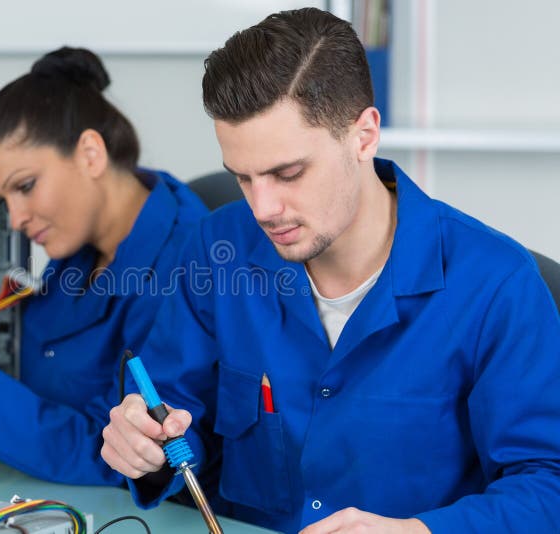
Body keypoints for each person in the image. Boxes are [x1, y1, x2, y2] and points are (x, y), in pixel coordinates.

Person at [100, 8, 560, 533]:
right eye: (243, 178)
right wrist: (144, 442)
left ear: (364, 136)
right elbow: (172, 410)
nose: (263, 208)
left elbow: (548, 484)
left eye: (288, 173)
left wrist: (419, 531)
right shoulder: (217, 248)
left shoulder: (497, 286)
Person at [0, 47, 208, 485]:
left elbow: (117, 456)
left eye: (26, 187)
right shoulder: (86, 234)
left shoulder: (187, 265)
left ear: (91, 153)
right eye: (3, 197)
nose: (15, 219)